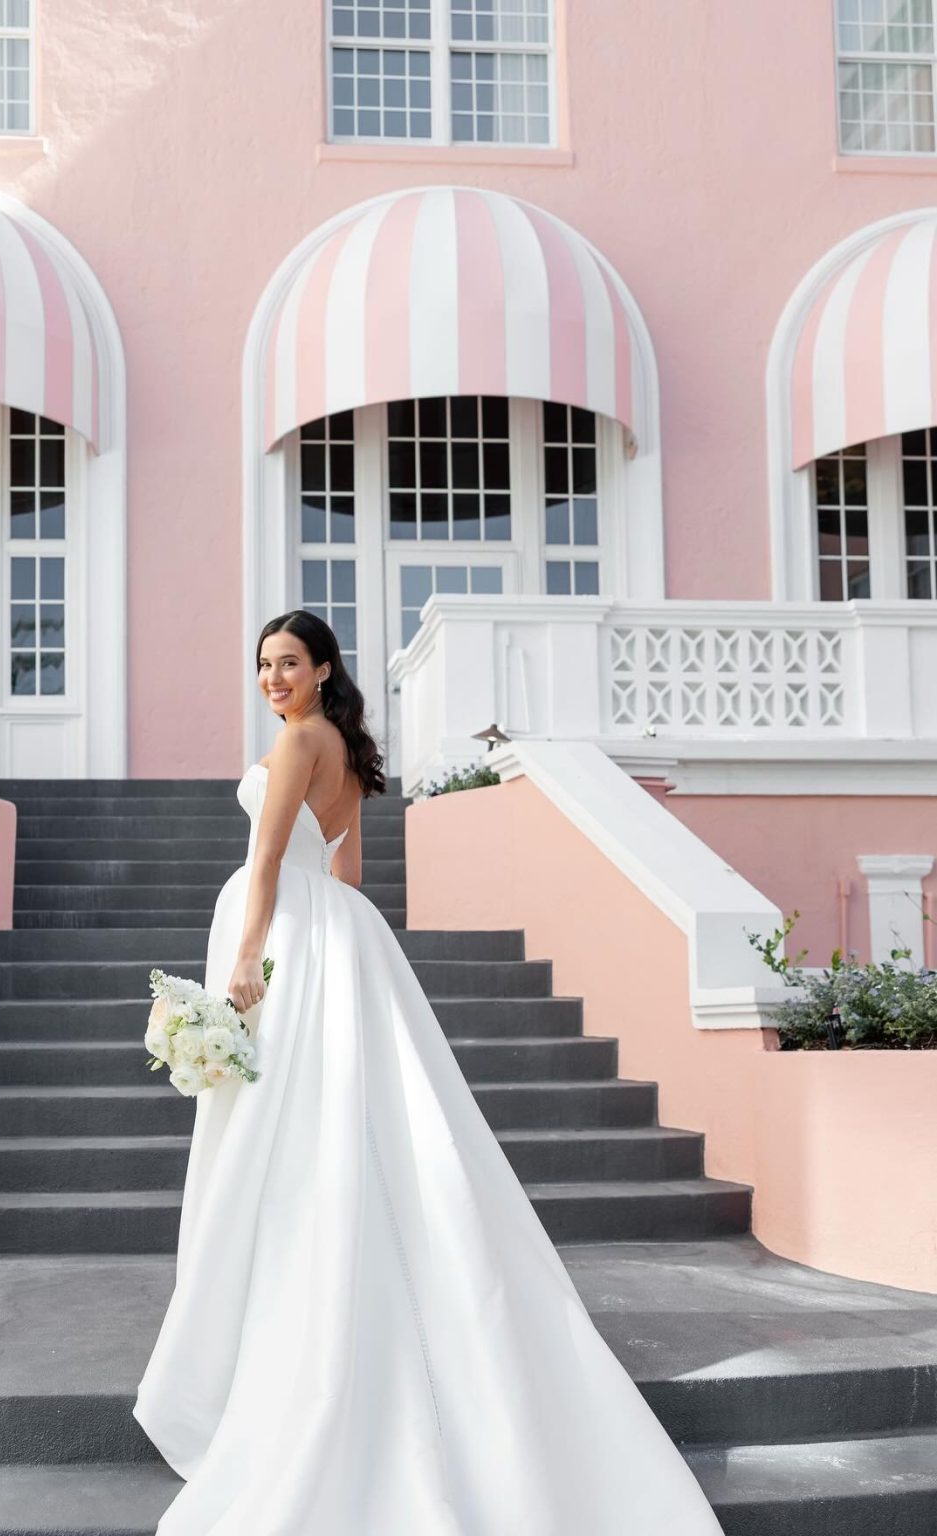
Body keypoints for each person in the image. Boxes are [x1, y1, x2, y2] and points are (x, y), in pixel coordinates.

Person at [132, 609, 725, 1534]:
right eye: (263, 665)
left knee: (291, 1124)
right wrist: (326, 944)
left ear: (322, 669)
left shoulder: (298, 741)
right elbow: (348, 874)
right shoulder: (350, 751)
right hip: (336, 931)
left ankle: (294, 1324)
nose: (272, 678)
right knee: (343, 1113)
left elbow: (267, 855)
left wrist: (249, 956)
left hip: (286, 930)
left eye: (288, 663)